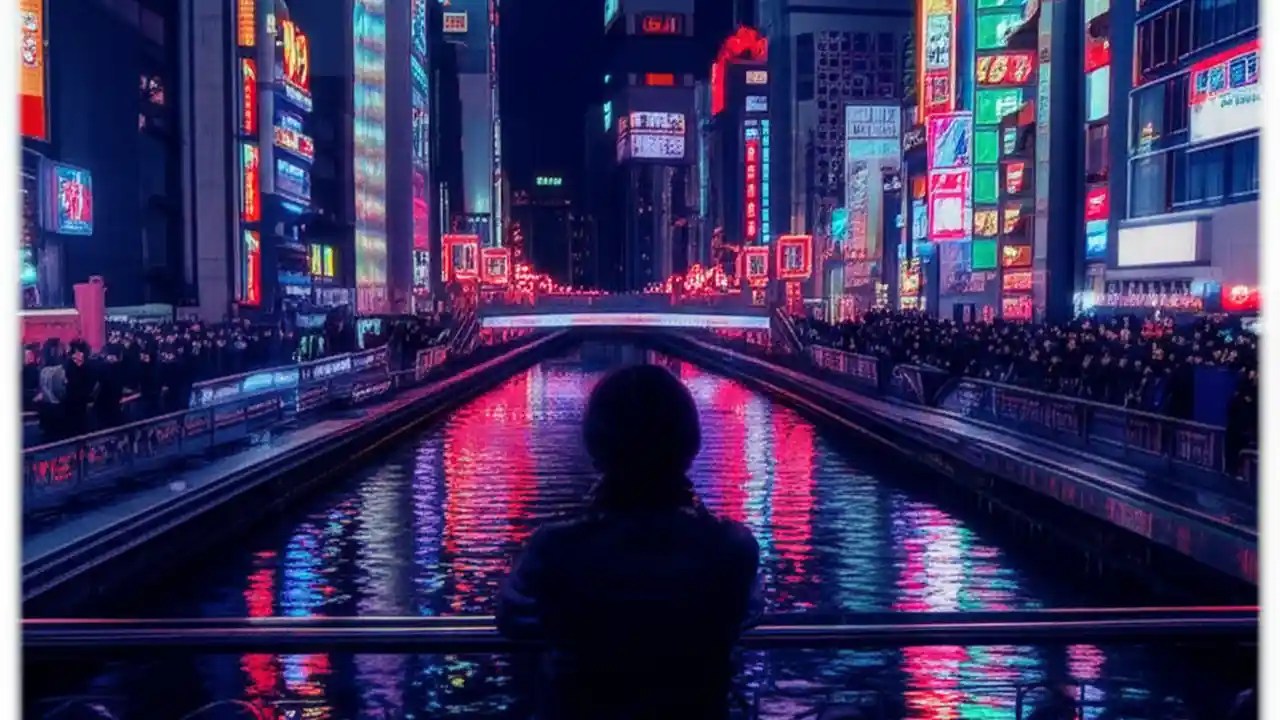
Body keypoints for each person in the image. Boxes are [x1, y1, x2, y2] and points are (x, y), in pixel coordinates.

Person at [497, 364, 762, 720]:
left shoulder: (555, 548)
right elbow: (747, 613)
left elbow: (512, 619)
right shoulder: (732, 547)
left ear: (596, 446)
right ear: (691, 445)